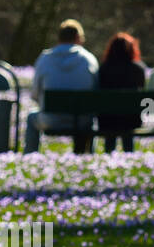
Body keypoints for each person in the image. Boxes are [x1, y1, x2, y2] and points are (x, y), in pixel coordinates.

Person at [25, 18, 99, 154]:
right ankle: (89, 158)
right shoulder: (89, 60)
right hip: (82, 120)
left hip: (51, 119)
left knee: (31, 117)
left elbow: (35, 93)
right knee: (91, 122)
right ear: (77, 38)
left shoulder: (45, 59)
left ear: (59, 38)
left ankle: (29, 156)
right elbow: (95, 94)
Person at [97, 32, 147, 153]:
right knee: (126, 125)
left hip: (107, 120)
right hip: (131, 120)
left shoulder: (104, 68)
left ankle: (108, 156)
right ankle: (129, 155)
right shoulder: (138, 69)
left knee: (111, 127)